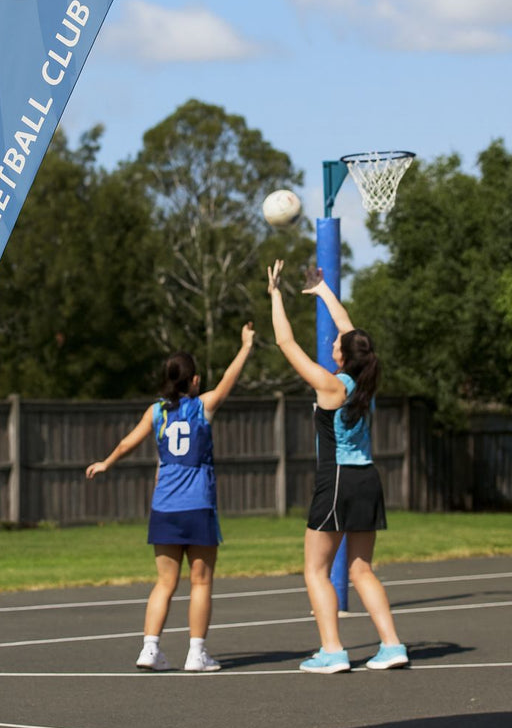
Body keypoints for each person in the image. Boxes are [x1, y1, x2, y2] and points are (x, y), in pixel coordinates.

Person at [85, 323, 255, 672]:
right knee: (201, 581)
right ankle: (196, 652)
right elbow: (229, 379)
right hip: (198, 505)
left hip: (164, 506)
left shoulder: (157, 411)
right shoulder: (202, 407)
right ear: (194, 381)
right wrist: (246, 346)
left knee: (164, 582)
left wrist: (106, 463)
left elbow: (126, 443)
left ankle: (150, 648)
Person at [267, 259, 408, 673]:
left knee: (315, 569)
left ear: (345, 356)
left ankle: (332, 650)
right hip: (368, 478)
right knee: (361, 569)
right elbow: (348, 327)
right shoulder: (366, 382)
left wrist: (275, 295)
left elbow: (286, 344)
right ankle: (392, 645)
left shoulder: (333, 385)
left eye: (337, 345)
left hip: (339, 479)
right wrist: (322, 290)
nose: (333, 343)